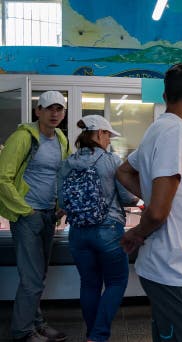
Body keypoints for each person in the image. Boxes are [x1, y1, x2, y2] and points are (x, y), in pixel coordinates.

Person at [115, 62, 182, 341]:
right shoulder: (178, 132)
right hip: (177, 270)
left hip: (160, 267)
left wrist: (162, 198)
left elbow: (122, 171)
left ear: (164, 97)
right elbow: (157, 213)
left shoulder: (156, 130)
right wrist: (137, 232)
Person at [56, 115, 138, 342]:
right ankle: (98, 336)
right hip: (108, 229)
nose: (109, 140)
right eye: (108, 135)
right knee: (116, 281)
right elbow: (126, 196)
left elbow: (62, 202)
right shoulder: (111, 160)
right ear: (100, 133)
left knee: (89, 284)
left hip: (78, 232)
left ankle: (93, 333)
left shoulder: (68, 162)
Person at [0, 91, 70, 342]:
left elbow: (61, 175)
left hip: (48, 215)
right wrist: (24, 209)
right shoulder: (22, 137)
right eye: (49, 108)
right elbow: (2, 178)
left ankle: (36, 322)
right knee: (31, 278)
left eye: (59, 109)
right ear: (37, 111)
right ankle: (22, 332)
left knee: (38, 275)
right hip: (27, 215)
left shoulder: (61, 138)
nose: (54, 114)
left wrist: (60, 204)